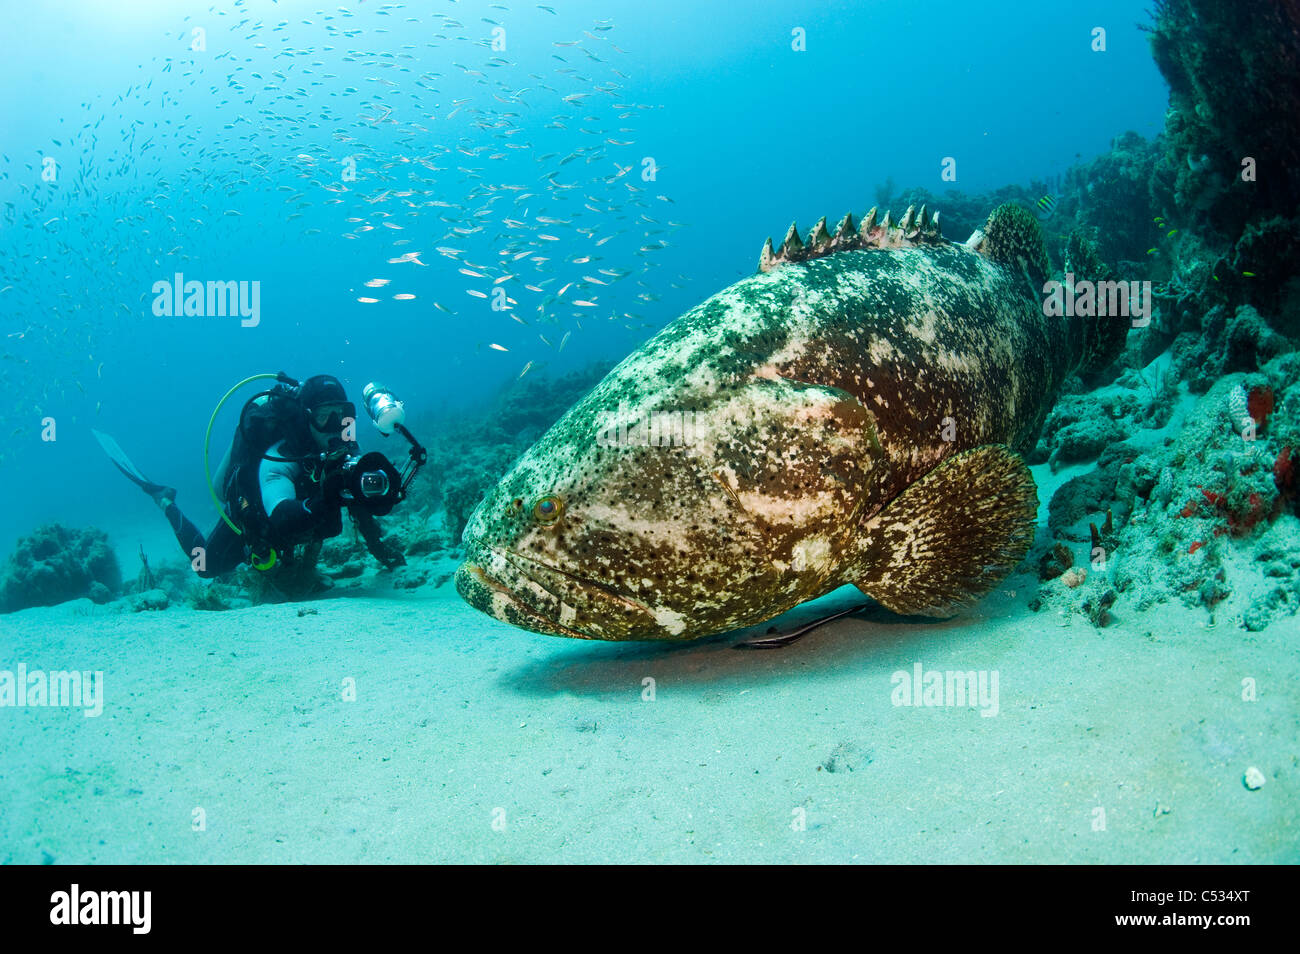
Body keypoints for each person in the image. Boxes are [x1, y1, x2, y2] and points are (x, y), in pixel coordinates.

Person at [98, 374, 405, 588]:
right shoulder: (278, 455)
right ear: (306, 416)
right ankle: (166, 501)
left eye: (342, 415)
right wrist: (326, 496)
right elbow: (282, 514)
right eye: (325, 416)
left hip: (303, 511)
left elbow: (357, 500)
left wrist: (380, 549)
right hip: (255, 510)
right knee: (204, 567)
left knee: (320, 519)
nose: (335, 426)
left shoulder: (342, 444)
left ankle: (300, 571)